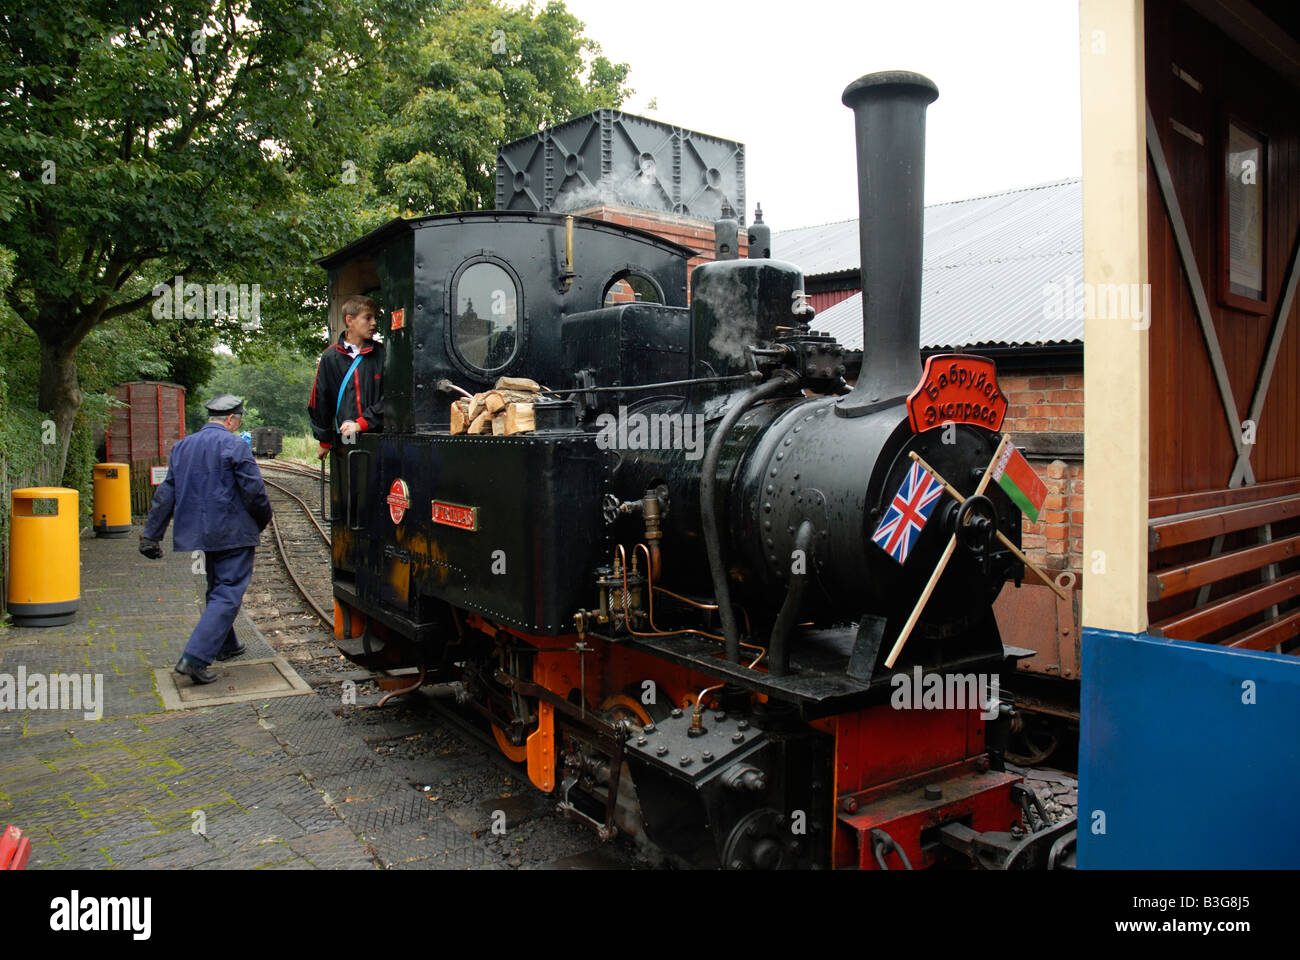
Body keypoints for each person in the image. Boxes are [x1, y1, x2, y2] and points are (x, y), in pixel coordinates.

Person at [139, 395, 273, 684]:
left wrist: (151, 535)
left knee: (217, 587)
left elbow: (166, 494)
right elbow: (254, 491)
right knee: (228, 591)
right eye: (238, 421)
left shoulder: (182, 447)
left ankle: (226, 645)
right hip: (233, 533)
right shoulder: (236, 445)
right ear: (231, 419)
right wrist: (261, 521)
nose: (237, 426)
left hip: (200, 534)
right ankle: (195, 658)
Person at [308, 294, 385, 459]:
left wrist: (361, 424)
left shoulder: (383, 354)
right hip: (345, 437)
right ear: (350, 320)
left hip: (379, 436)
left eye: (375, 318)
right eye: (368, 318)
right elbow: (321, 398)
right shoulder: (330, 357)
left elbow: (392, 397)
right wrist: (324, 441)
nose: (374, 323)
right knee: (351, 479)